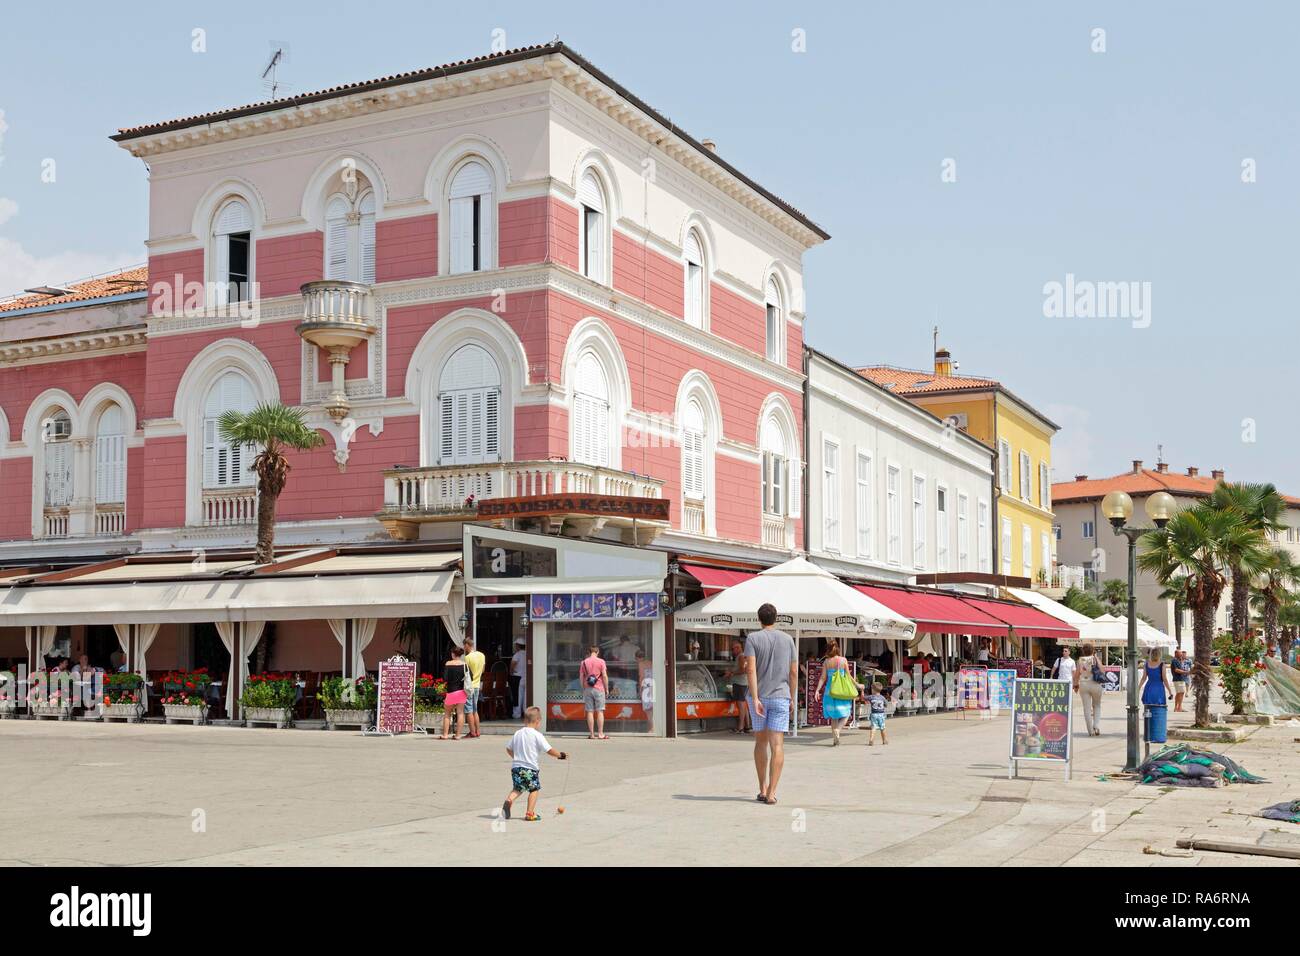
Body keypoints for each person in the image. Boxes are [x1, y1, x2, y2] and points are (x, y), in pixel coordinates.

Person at [744, 603, 797, 805]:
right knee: (778, 744)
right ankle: (772, 793)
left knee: (761, 742)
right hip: (781, 696)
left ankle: (762, 787)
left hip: (759, 698)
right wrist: (791, 697)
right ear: (776, 618)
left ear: (759, 618)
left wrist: (756, 697)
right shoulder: (788, 639)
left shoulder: (752, 638)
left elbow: (750, 670)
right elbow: (793, 672)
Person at [500, 706, 568, 822]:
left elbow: (508, 749)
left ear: (525, 720)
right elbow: (549, 750)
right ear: (538, 721)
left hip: (516, 767)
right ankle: (530, 813)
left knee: (518, 788)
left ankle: (509, 800)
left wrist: (516, 758)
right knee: (534, 789)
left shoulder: (518, 733)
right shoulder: (537, 735)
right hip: (530, 769)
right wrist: (560, 755)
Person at [813, 640, 862, 746]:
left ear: (828, 649)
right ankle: (838, 731)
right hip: (841, 691)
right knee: (846, 714)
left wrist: (817, 690)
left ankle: (835, 740)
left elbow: (822, 678)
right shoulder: (843, 660)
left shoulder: (826, 661)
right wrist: (858, 685)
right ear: (837, 649)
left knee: (834, 717)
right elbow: (849, 676)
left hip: (829, 691)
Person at [1138, 648, 1174, 740]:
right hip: (1158, 689)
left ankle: (1149, 730)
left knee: (1148, 710)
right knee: (1158, 711)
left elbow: (1143, 678)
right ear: (1159, 655)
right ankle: (1156, 731)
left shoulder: (1146, 664)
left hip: (1149, 688)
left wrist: (1138, 688)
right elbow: (1165, 679)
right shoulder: (1162, 665)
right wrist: (1170, 691)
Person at [1073, 642, 1105, 736]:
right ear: (1093, 650)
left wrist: (1075, 685)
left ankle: (1090, 730)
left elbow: (1076, 675)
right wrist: (1096, 658)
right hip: (1095, 683)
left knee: (1086, 708)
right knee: (1097, 705)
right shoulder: (1095, 658)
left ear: (1083, 650)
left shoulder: (1080, 660)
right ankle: (1096, 725)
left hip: (1084, 684)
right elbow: (1103, 670)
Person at [579, 644, 609, 740]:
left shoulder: (584, 662)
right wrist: (607, 688)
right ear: (597, 652)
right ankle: (600, 734)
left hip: (588, 688)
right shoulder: (601, 661)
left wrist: (583, 687)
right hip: (599, 688)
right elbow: (604, 675)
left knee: (589, 711)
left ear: (589, 652)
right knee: (600, 711)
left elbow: (581, 676)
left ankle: (592, 734)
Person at [439, 644, 468, 740]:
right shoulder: (464, 665)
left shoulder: (448, 664)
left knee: (447, 714)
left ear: (453, 654)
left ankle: (445, 735)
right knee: (460, 713)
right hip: (461, 692)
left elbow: (445, 678)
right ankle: (458, 735)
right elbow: (468, 677)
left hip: (451, 692)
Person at [722, 639, 751, 734]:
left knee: (741, 705)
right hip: (743, 683)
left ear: (738, 648)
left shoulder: (741, 656)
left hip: (740, 683)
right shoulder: (742, 656)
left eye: (733, 648)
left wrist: (731, 673)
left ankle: (740, 727)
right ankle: (747, 726)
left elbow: (743, 670)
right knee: (744, 705)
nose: (732, 651)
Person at [462, 637, 486, 739]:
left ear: (467, 645)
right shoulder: (481, 655)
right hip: (477, 685)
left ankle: (472, 732)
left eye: (464, 645)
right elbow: (483, 670)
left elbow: (465, 673)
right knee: (475, 710)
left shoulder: (467, 658)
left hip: (469, 686)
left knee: (469, 710)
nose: (464, 648)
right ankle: (478, 731)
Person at [635, 649, 653, 729]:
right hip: (653, 686)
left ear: (637, 658)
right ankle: (652, 727)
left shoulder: (641, 664)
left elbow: (641, 677)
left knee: (648, 710)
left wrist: (640, 689)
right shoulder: (650, 662)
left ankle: (651, 728)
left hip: (646, 687)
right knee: (652, 708)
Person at [509, 638, 527, 718]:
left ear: (518, 646)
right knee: (526, 697)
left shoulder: (517, 655)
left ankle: (517, 714)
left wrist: (511, 672)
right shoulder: (528, 654)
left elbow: (512, 665)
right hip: (526, 677)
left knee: (518, 696)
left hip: (518, 678)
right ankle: (525, 712)